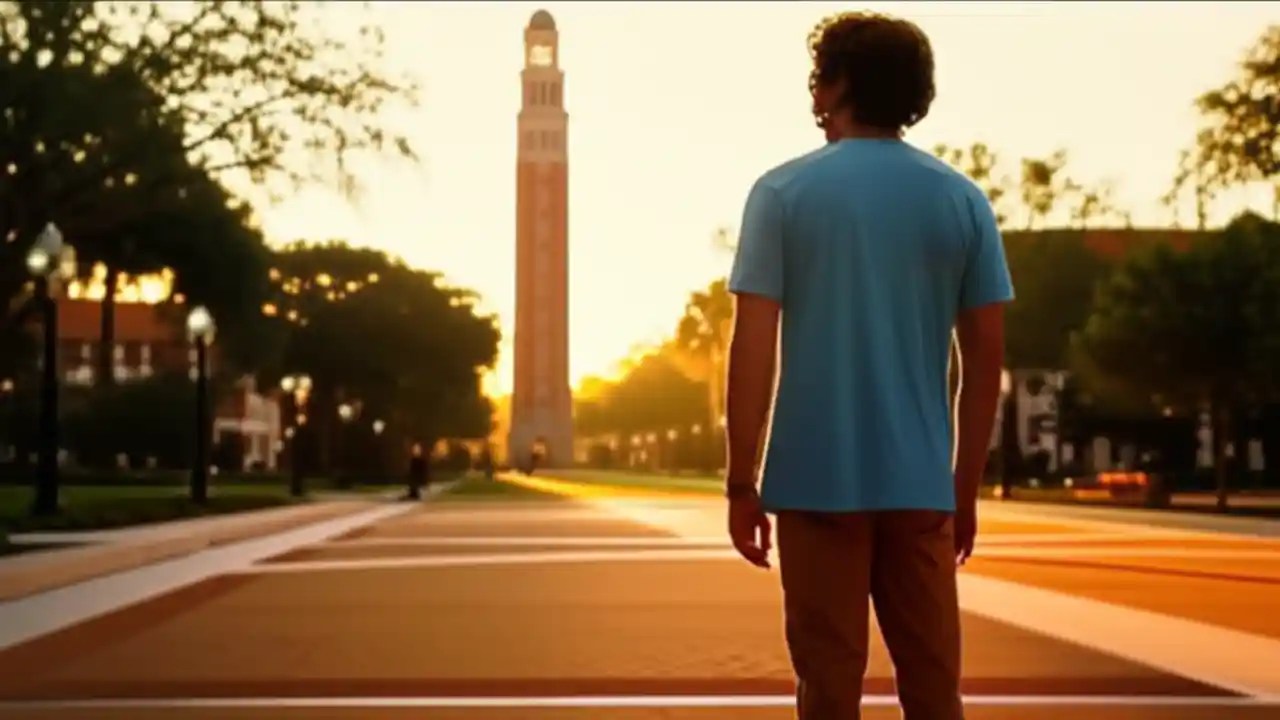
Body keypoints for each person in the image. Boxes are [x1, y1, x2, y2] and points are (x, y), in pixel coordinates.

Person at [723, 11, 1013, 720]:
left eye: (818, 79)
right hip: (920, 489)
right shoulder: (962, 200)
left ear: (839, 85)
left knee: (827, 690)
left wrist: (740, 478)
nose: (813, 96)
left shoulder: (782, 194)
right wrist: (964, 488)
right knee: (934, 689)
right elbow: (984, 364)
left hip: (815, 482)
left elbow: (752, 346)